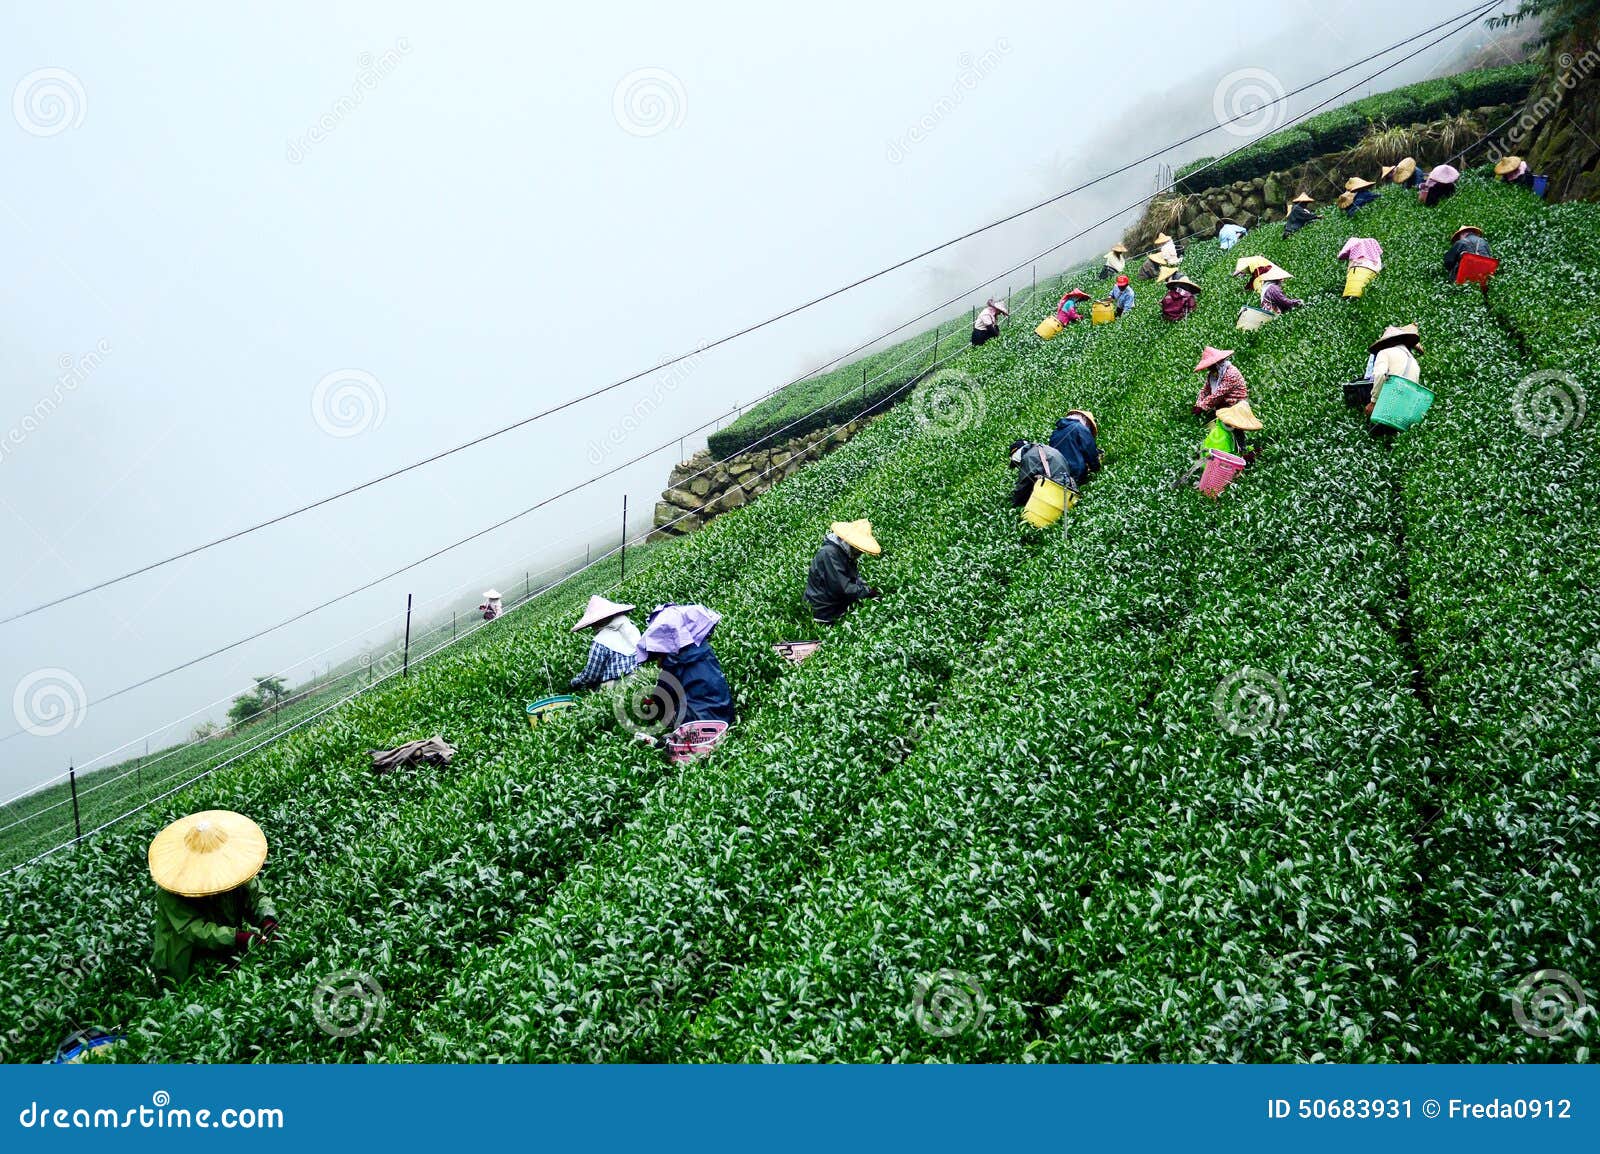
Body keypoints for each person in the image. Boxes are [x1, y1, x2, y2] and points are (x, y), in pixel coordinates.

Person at [149, 810, 278, 985]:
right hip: (184, 961)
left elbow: (254, 893)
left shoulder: (231, 864)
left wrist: (267, 920)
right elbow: (194, 929)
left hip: (221, 950)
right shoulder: (171, 890)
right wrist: (236, 937)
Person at [635, 603, 735, 731]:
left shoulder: (673, 663)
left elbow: (662, 696)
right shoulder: (704, 650)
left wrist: (649, 704)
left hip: (699, 723)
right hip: (725, 715)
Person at [804, 519, 881, 625]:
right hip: (823, 610)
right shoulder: (830, 554)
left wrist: (866, 587)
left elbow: (854, 576)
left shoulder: (844, 553)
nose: (859, 553)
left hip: (835, 606)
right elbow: (843, 587)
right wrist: (867, 593)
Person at [568, 595, 641, 689]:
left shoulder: (600, 641)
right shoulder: (630, 627)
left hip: (619, 686)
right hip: (639, 676)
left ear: (599, 622)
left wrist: (573, 683)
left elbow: (590, 676)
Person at [1364, 323, 1422, 430]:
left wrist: (1373, 402)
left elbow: (1380, 375)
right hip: (1402, 417)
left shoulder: (1385, 353)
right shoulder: (1415, 363)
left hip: (1385, 411)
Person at [1007, 439, 1072, 507]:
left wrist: (1012, 503)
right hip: (1066, 487)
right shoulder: (1043, 448)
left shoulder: (1028, 457)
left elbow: (1023, 484)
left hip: (1054, 490)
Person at [1048, 410, 1102, 485]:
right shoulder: (1081, 428)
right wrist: (1096, 469)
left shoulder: (1057, 430)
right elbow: (1091, 453)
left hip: (1054, 471)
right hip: (1074, 473)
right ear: (1086, 420)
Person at [1193, 346, 1249, 417]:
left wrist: (1202, 406)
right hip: (1223, 407)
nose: (1212, 371)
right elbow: (1205, 390)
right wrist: (1198, 404)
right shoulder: (1212, 375)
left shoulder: (1231, 373)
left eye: (1213, 368)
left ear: (1218, 364)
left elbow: (1218, 395)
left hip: (1236, 406)